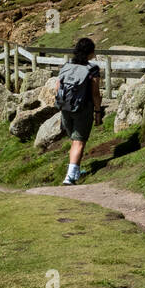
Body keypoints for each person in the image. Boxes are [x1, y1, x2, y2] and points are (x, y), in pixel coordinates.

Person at [55, 37, 104, 186]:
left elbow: (57, 87)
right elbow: (95, 93)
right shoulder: (92, 69)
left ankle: (75, 171)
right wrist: (97, 112)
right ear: (90, 52)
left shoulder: (66, 65)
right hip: (83, 108)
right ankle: (69, 178)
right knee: (79, 141)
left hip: (65, 107)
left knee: (74, 140)